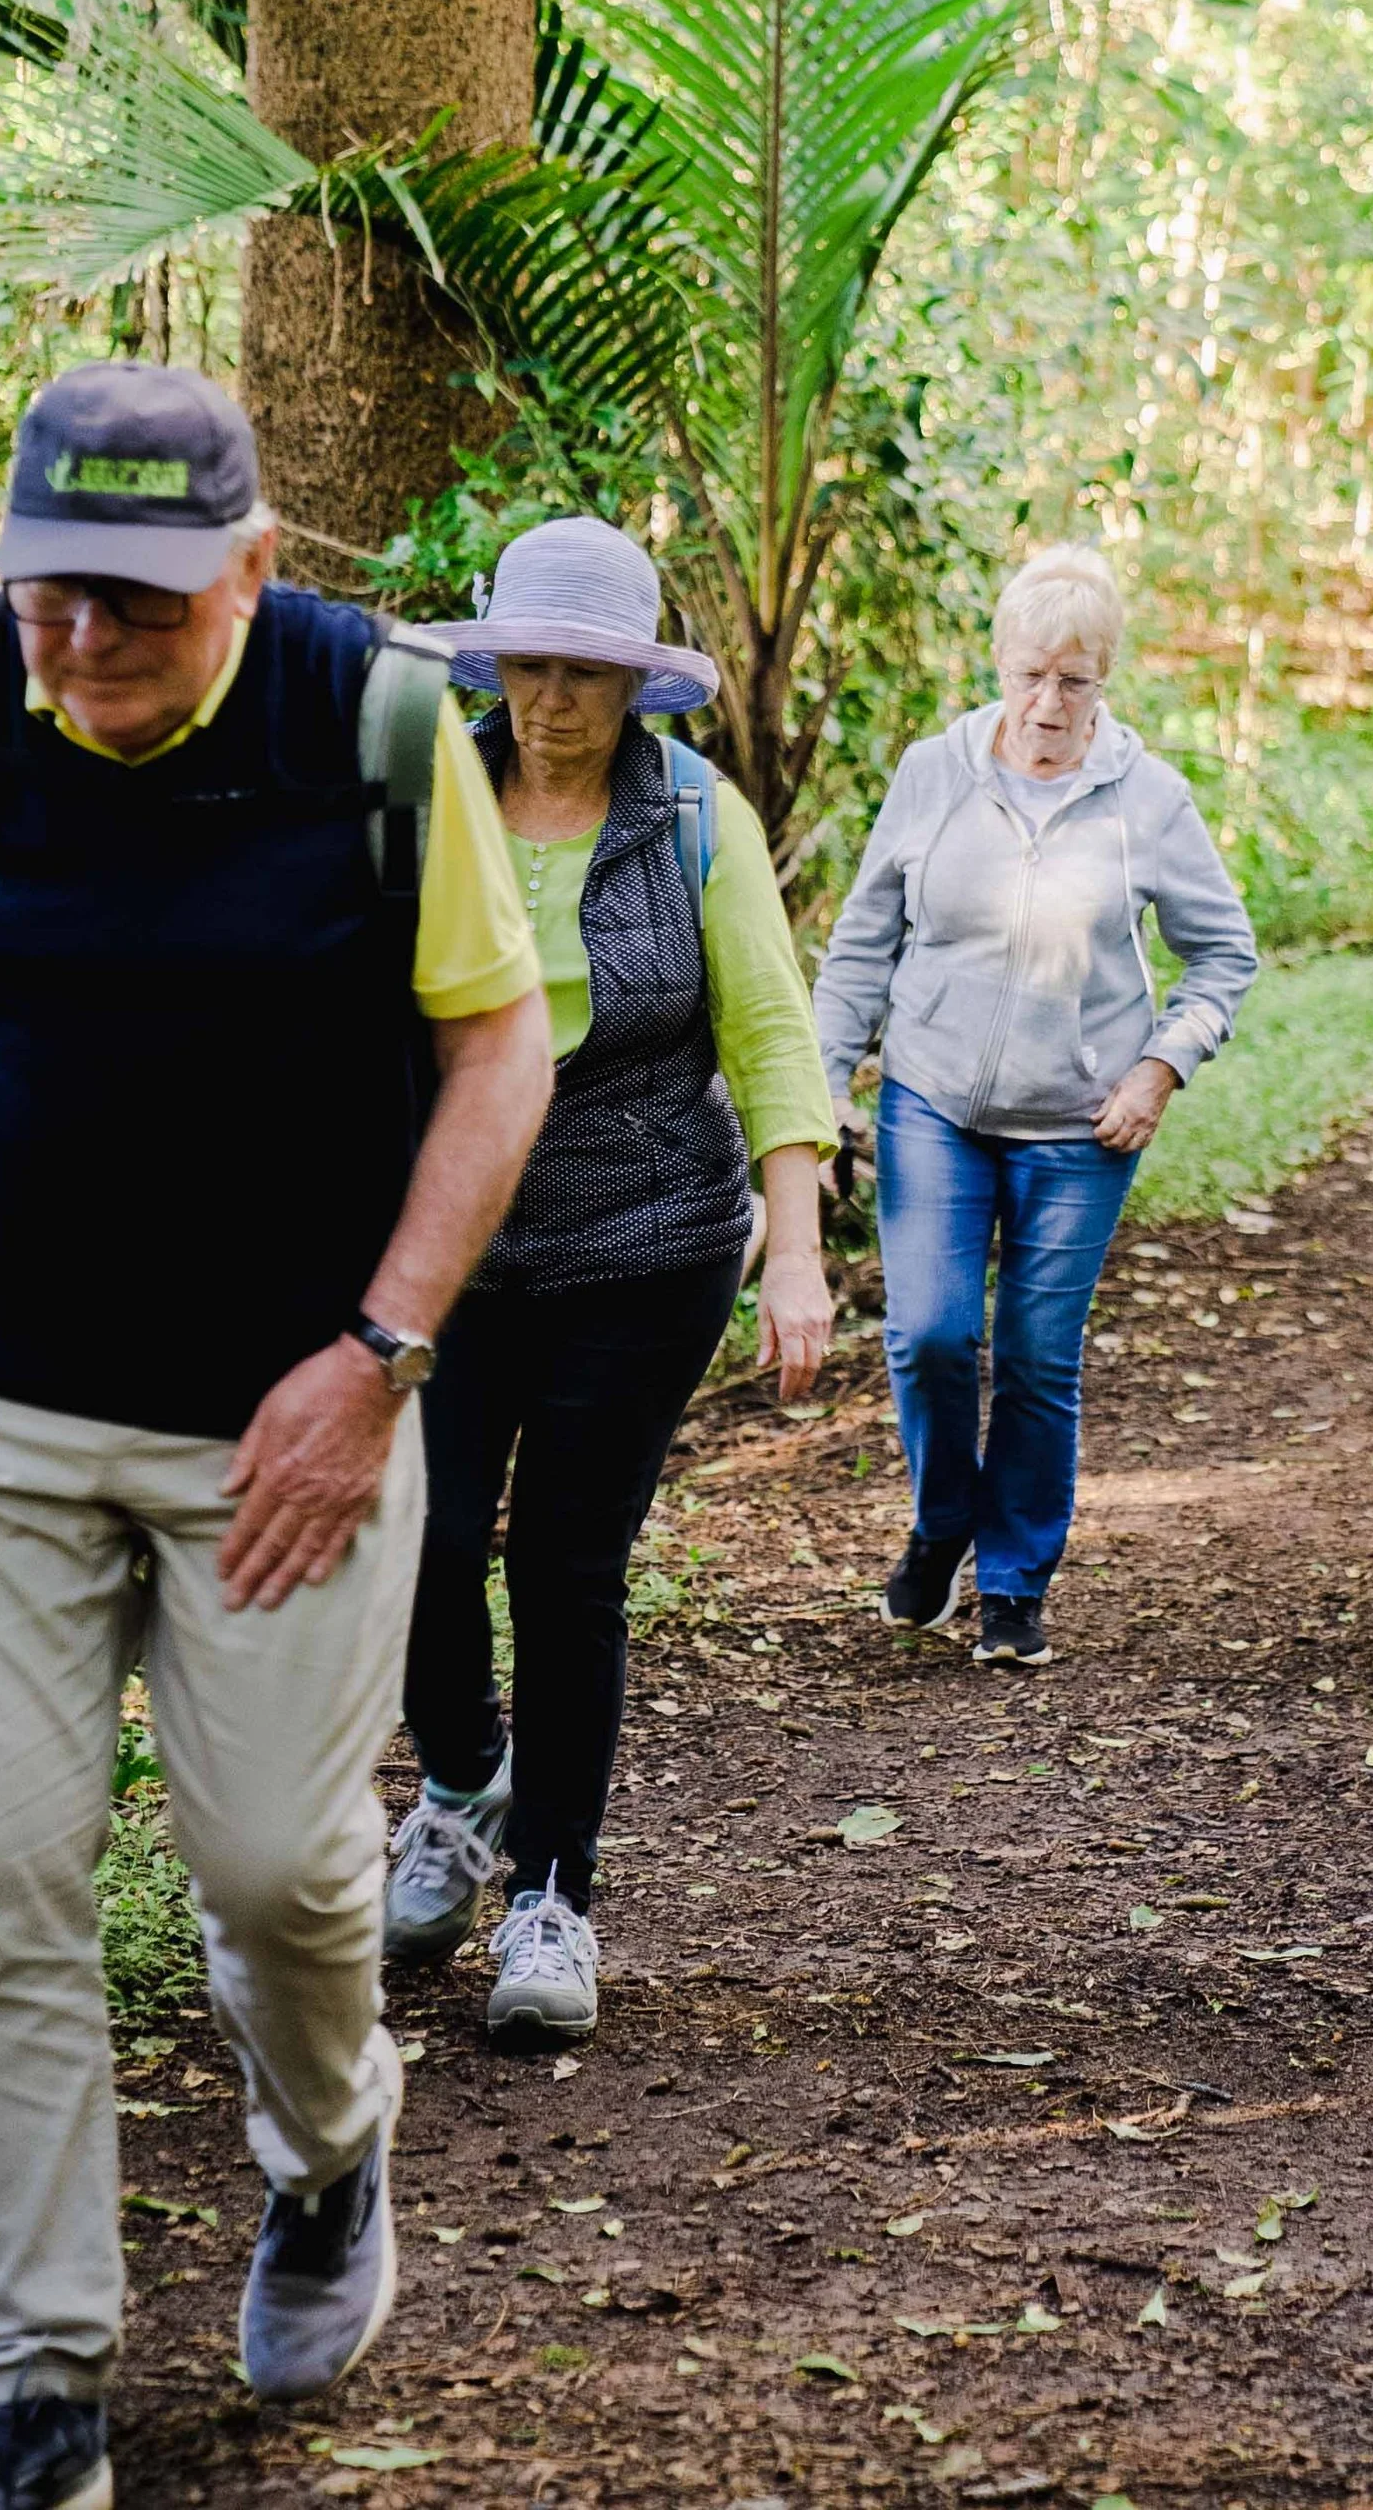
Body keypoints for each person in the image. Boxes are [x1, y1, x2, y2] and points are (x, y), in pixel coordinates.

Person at [0, 365, 554, 2510]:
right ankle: (31, 2377)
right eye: (52, 593)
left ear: (256, 566)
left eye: (142, 599)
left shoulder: (368, 724)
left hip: (286, 1429)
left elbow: (498, 1046)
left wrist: (380, 1350)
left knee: (278, 1872)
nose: (87, 638)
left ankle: (330, 2149)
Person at [379, 520, 838, 2048]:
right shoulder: (429, 794)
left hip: (644, 1241)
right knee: (425, 1539)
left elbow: (768, 1029)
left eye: (584, 671)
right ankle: (462, 1781)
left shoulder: (697, 813)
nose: (552, 698)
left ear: (636, 682)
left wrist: (795, 1247)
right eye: (529, 664)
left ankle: (551, 1894)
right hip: (454, 1241)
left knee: (567, 1564)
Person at [813, 544, 1258, 1670]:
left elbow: (1224, 955)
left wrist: (1160, 1066)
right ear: (997, 665)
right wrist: (822, 1088)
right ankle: (940, 1523)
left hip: (1081, 1123)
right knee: (929, 1335)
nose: (1049, 703)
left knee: (1034, 1356)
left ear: (1107, 679)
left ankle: (1012, 1581)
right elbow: (862, 945)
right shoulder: (934, 771)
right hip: (932, 1102)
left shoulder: (1149, 798)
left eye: (1075, 680)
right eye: (1030, 675)